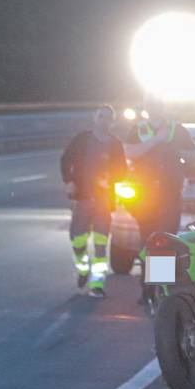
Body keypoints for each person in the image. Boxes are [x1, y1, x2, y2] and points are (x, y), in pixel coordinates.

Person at [123, 99, 195, 303]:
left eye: (157, 106)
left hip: (169, 194)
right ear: (147, 109)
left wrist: (178, 152)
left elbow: (193, 154)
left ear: (163, 108)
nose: (154, 109)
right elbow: (129, 152)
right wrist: (156, 140)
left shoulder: (177, 130)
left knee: (163, 241)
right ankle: (147, 288)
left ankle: (159, 289)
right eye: (151, 106)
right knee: (146, 241)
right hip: (145, 195)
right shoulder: (138, 130)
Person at [60, 105, 127, 298]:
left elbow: (122, 171)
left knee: (100, 243)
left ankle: (97, 283)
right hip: (82, 199)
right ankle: (82, 268)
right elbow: (66, 159)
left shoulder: (115, 144)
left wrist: (111, 180)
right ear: (95, 118)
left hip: (103, 202)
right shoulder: (82, 140)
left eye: (108, 118)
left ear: (112, 122)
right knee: (77, 238)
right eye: (101, 117)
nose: (104, 121)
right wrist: (69, 181)